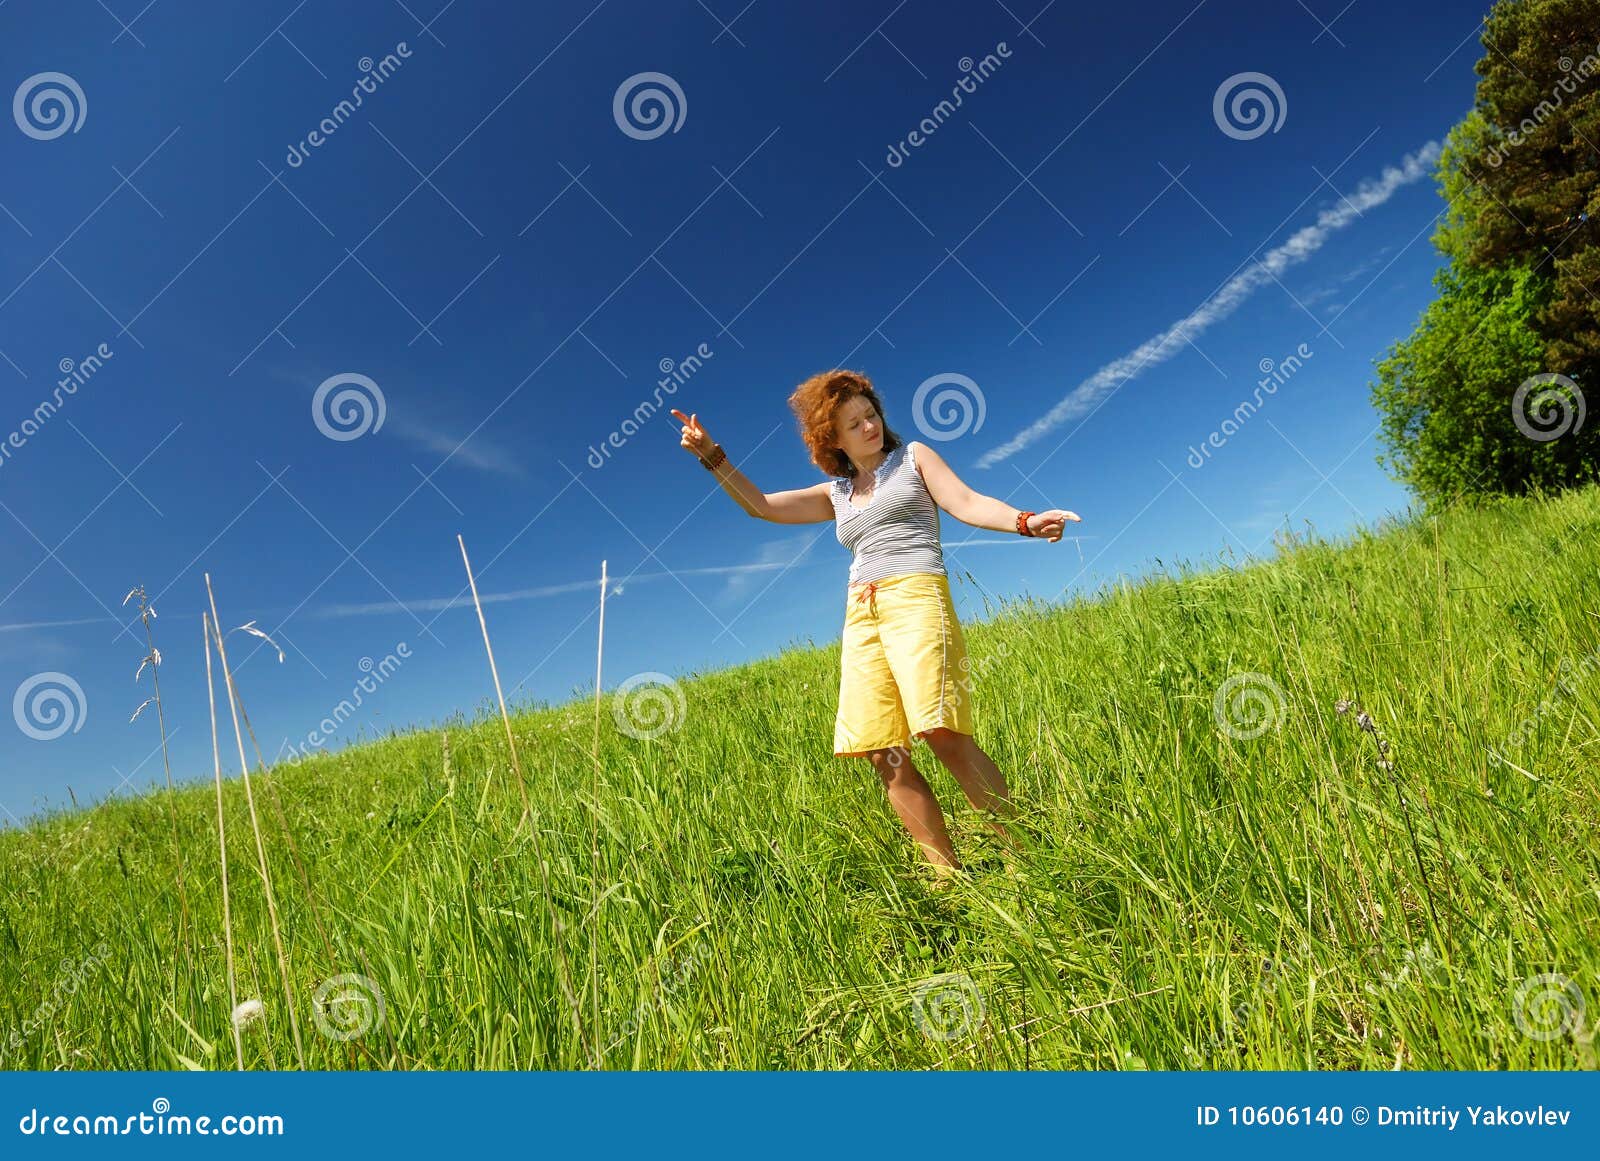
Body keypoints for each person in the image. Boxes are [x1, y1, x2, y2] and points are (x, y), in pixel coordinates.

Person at [669, 369, 1080, 885]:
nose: (869, 427)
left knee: (939, 730)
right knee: (883, 753)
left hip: (916, 597)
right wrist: (712, 456)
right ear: (833, 440)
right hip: (861, 614)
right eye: (853, 423)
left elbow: (968, 502)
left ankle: (1030, 861)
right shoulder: (836, 493)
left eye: (871, 415)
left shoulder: (914, 459)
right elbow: (761, 506)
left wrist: (1025, 520)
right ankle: (950, 882)